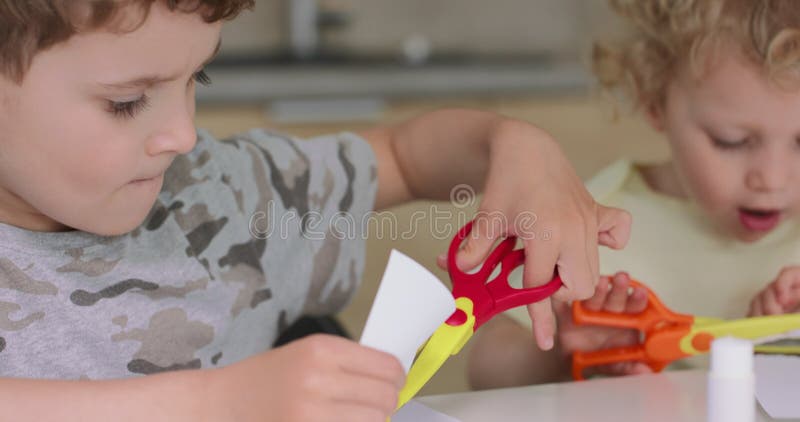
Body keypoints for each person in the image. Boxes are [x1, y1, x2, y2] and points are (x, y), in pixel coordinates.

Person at [0, 1, 631, 420]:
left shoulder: (220, 198)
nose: (183, 133)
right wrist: (218, 402)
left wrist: (518, 145)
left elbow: (405, 159)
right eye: (128, 102)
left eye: (197, 79)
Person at [467, 0, 800, 390]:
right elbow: (486, 374)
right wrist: (560, 345)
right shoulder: (594, 222)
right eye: (732, 141)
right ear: (655, 101)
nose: (774, 179)